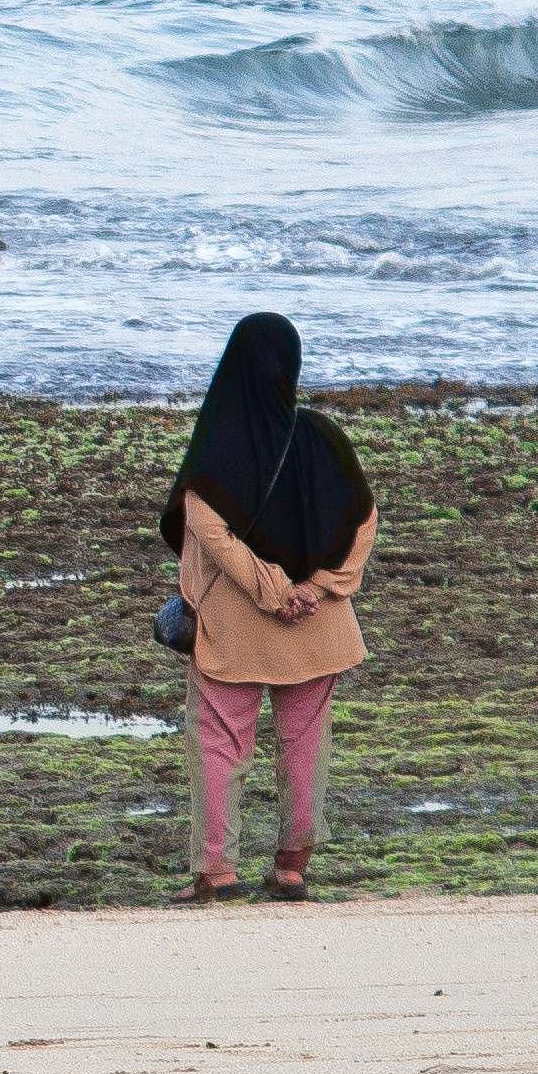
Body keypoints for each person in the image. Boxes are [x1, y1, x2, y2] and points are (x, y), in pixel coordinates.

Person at [162, 312, 376, 904]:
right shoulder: (324, 436)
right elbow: (365, 519)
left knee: (220, 744)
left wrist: (273, 590)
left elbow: (207, 528)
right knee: (305, 743)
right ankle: (291, 868)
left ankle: (216, 871)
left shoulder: (220, 444)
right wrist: (325, 586)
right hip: (318, 626)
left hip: (238, 627)